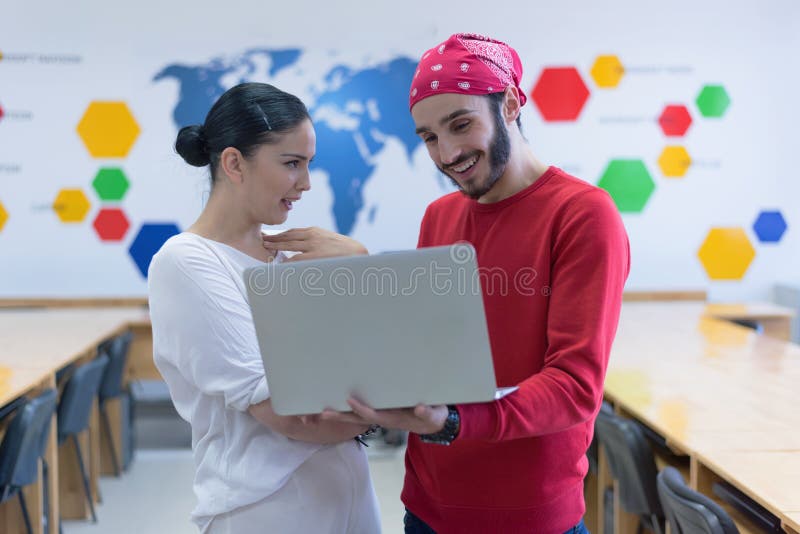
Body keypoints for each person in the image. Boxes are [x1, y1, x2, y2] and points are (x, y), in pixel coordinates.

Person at [268, 33, 630, 533]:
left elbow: (573, 386)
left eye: (460, 125)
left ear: (509, 103)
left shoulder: (582, 215)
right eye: (429, 137)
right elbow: (427, 354)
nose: (448, 153)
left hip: (528, 517)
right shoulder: (439, 216)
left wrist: (456, 421)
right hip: (428, 508)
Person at [147, 82, 381, 534]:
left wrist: (360, 266)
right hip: (268, 509)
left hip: (348, 491)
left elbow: (363, 372)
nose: (306, 183)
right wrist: (395, 407)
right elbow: (294, 414)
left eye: (308, 164)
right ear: (234, 163)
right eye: (292, 164)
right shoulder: (187, 264)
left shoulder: (291, 257)